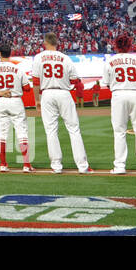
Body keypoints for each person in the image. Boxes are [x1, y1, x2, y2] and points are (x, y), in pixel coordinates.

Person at [31, 33, 92, 174]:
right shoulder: (65, 58)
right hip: (64, 93)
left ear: (45, 42)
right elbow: (75, 80)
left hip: (46, 93)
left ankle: (56, 166)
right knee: (74, 129)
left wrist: (37, 100)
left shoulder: (39, 58)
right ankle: (82, 166)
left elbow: (35, 82)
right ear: (57, 43)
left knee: (51, 130)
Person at [101, 34, 136, 175]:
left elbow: (106, 83)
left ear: (116, 46)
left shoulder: (110, 61)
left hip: (118, 95)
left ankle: (119, 166)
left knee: (119, 132)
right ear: (130, 45)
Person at [0, 44, 33, 173]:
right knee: (22, 132)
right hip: (16, 100)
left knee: (1, 133)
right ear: (10, 53)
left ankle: (3, 164)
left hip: (1, 101)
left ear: (0, 53)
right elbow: (28, 88)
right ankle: (26, 165)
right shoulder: (17, 68)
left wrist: (1, 93)